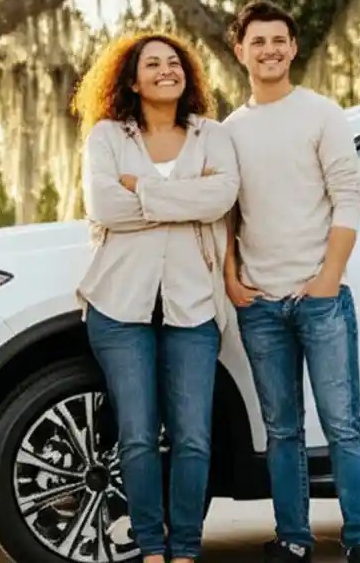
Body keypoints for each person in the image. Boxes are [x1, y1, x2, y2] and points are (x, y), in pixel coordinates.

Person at [221, 0, 360, 563]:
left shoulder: (321, 114)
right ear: (239, 51)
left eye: (279, 40)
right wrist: (231, 277)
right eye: (257, 41)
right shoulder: (229, 131)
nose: (269, 50)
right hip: (259, 304)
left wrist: (328, 279)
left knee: (344, 426)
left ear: (293, 48)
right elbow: (227, 212)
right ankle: (294, 539)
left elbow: (347, 195)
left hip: (321, 300)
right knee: (281, 431)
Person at [73, 31, 239, 563]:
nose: (166, 70)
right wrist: (183, 198)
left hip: (195, 306)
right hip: (119, 306)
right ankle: (150, 547)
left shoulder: (212, 134)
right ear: (131, 78)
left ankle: (185, 549)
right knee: (138, 436)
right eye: (152, 63)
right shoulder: (107, 136)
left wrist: (139, 188)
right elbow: (104, 206)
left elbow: (222, 198)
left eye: (174, 62)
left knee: (193, 436)